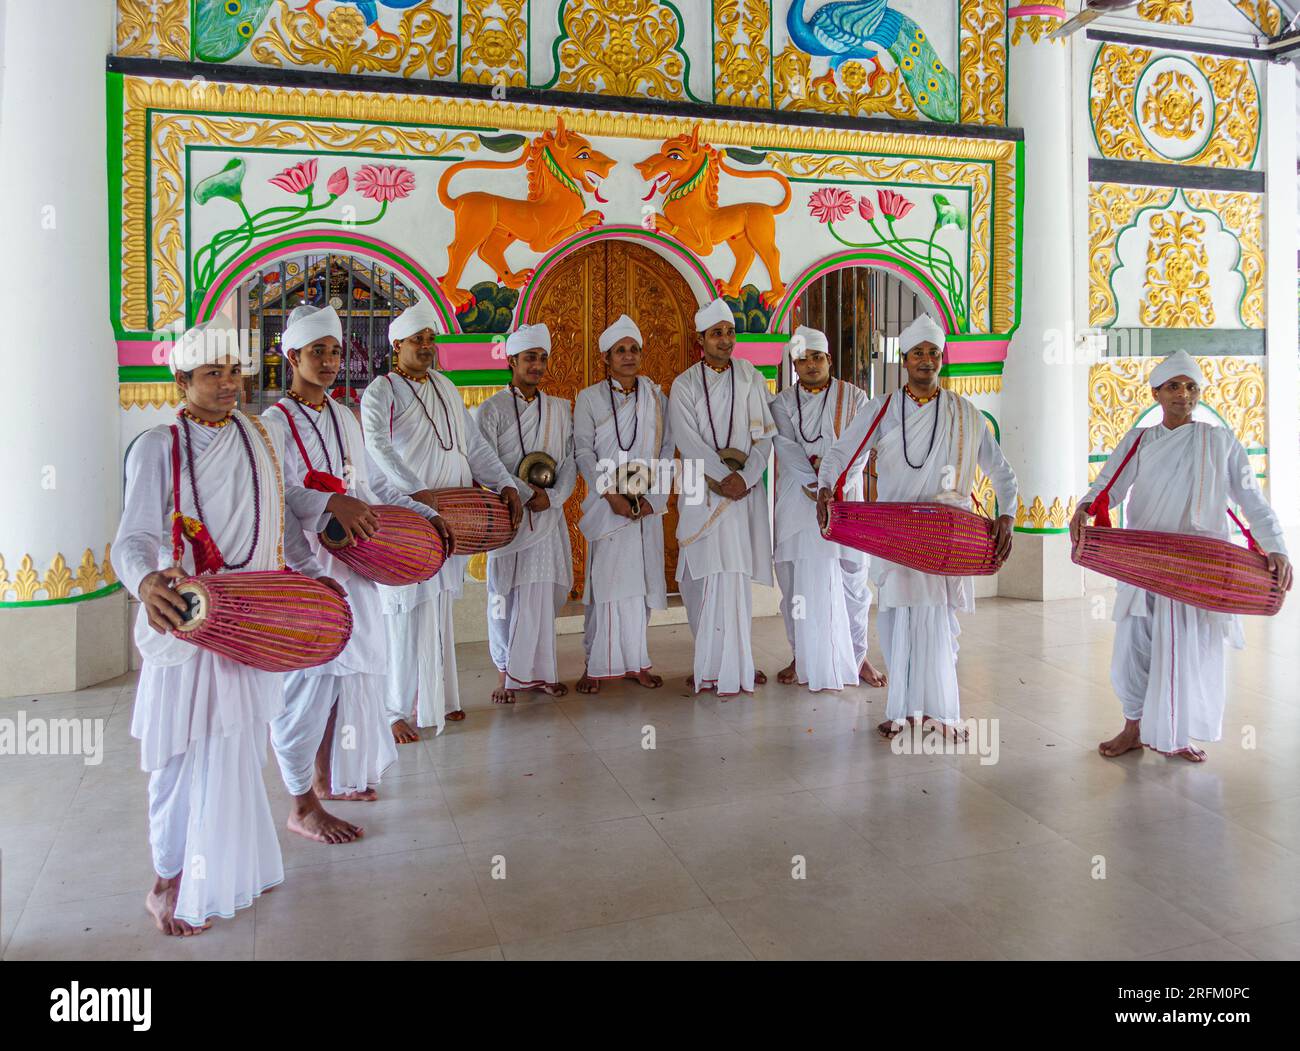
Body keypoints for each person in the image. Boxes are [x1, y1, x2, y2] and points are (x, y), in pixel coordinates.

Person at [112, 319, 336, 935]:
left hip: (246, 619)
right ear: (181, 380)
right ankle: (167, 879)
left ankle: (231, 864)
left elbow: (288, 507)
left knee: (237, 742)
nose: (228, 383)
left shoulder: (260, 436)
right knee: (179, 753)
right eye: (212, 373)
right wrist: (144, 581)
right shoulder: (160, 446)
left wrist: (311, 572)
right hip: (188, 620)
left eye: (234, 371)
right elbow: (131, 538)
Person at [265, 305, 449, 844]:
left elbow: (371, 491)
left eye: (334, 351)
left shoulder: (344, 418)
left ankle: (332, 777)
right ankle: (300, 803)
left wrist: (426, 515)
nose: (327, 361)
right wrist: (331, 501)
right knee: (309, 684)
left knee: (353, 676)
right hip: (308, 568)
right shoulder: (273, 423)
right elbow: (279, 495)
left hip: (359, 565)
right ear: (292, 355)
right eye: (316, 351)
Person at [1071, 350, 1292, 762]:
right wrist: (1085, 508)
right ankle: (1133, 728)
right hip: (1145, 561)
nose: (1184, 395)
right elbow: (1109, 486)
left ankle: (1179, 734)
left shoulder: (1220, 440)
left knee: (1195, 649)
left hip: (1200, 566)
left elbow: (1250, 498)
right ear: (1156, 392)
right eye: (1174, 386)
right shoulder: (1139, 439)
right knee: (1135, 647)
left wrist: (1275, 546)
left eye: (1191, 387)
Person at [817, 313, 1017, 739]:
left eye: (933, 353)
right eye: (917, 354)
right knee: (896, 620)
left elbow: (1001, 471)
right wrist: (825, 489)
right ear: (903, 360)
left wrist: (1007, 513)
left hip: (947, 536)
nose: (926, 360)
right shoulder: (882, 409)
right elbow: (842, 453)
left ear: (941, 359)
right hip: (897, 534)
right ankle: (903, 710)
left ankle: (941, 713)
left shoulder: (965, 414)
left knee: (941, 625)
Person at [360, 301, 523, 741]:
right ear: (397, 345)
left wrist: (505, 482)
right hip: (407, 515)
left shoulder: (447, 386)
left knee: (437, 609)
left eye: (431, 339)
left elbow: (473, 446)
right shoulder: (382, 390)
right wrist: (416, 492)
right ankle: (394, 709)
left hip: (450, 515)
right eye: (418, 340)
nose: (427, 347)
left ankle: (441, 699)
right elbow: (376, 445)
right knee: (404, 610)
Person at [668, 297, 776, 698]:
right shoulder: (684, 384)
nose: (725, 340)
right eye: (717, 333)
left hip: (741, 491)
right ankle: (709, 663)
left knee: (733, 577)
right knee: (701, 576)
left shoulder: (751, 376)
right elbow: (687, 439)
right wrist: (721, 477)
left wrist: (745, 478)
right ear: (701, 339)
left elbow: (765, 436)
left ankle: (737, 662)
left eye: (730, 332)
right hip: (701, 487)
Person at [771, 325, 885, 692]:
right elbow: (786, 448)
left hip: (844, 501)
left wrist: (833, 487)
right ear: (793, 364)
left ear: (829, 359)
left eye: (816, 357)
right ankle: (800, 654)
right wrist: (816, 485)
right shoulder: (781, 403)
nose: (810, 365)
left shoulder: (854, 397)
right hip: (797, 503)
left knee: (853, 583)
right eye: (802, 359)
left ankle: (857, 656)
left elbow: (860, 447)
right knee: (795, 588)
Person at [572, 314, 673, 694]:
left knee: (639, 585)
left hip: (644, 504)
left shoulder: (656, 398)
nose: (628, 356)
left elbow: (665, 450)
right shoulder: (589, 398)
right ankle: (594, 664)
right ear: (607, 358)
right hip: (606, 505)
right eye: (620, 351)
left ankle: (637, 663)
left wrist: (652, 498)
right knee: (605, 586)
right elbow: (582, 450)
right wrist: (609, 494)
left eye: (633, 349)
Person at [476, 323, 576, 703]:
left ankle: (541, 671)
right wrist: (523, 491)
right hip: (509, 514)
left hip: (547, 516)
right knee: (504, 594)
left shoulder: (559, 409)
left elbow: (569, 462)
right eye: (529, 358)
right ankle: (506, 672)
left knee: (541, 591)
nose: (537, 365)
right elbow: (484, 463)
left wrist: (552, 498)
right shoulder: (491, 410)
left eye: (542, 358)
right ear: (512, 361)